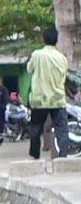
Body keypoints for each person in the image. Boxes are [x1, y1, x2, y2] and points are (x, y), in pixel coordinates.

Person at [26, 26, 69, 160]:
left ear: (43, 40)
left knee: (36, 128)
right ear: (56, 40)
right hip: (58, 98)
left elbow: (29, 69)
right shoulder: (62, 58)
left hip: (40, 99)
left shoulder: (37, 55)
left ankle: (35, 156)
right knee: (61, 129)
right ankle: (63, 155)